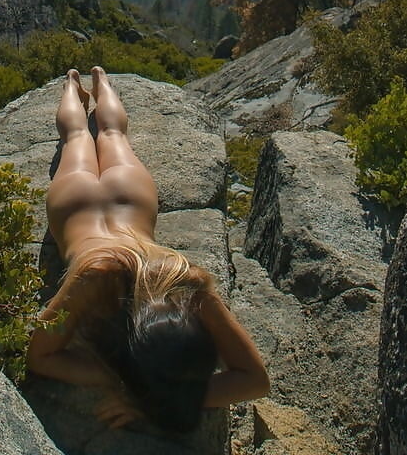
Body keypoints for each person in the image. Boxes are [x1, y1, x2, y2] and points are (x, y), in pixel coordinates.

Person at [26, 66, 270, 433]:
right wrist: (140, 391)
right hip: (86, 207)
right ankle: (91, 82)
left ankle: (83, 81)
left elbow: (256, 381)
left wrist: (139, 391)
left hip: (113, 206)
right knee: (106, 136)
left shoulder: (185, 282)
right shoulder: (107, 279)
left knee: (82, 136)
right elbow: (39, 355)